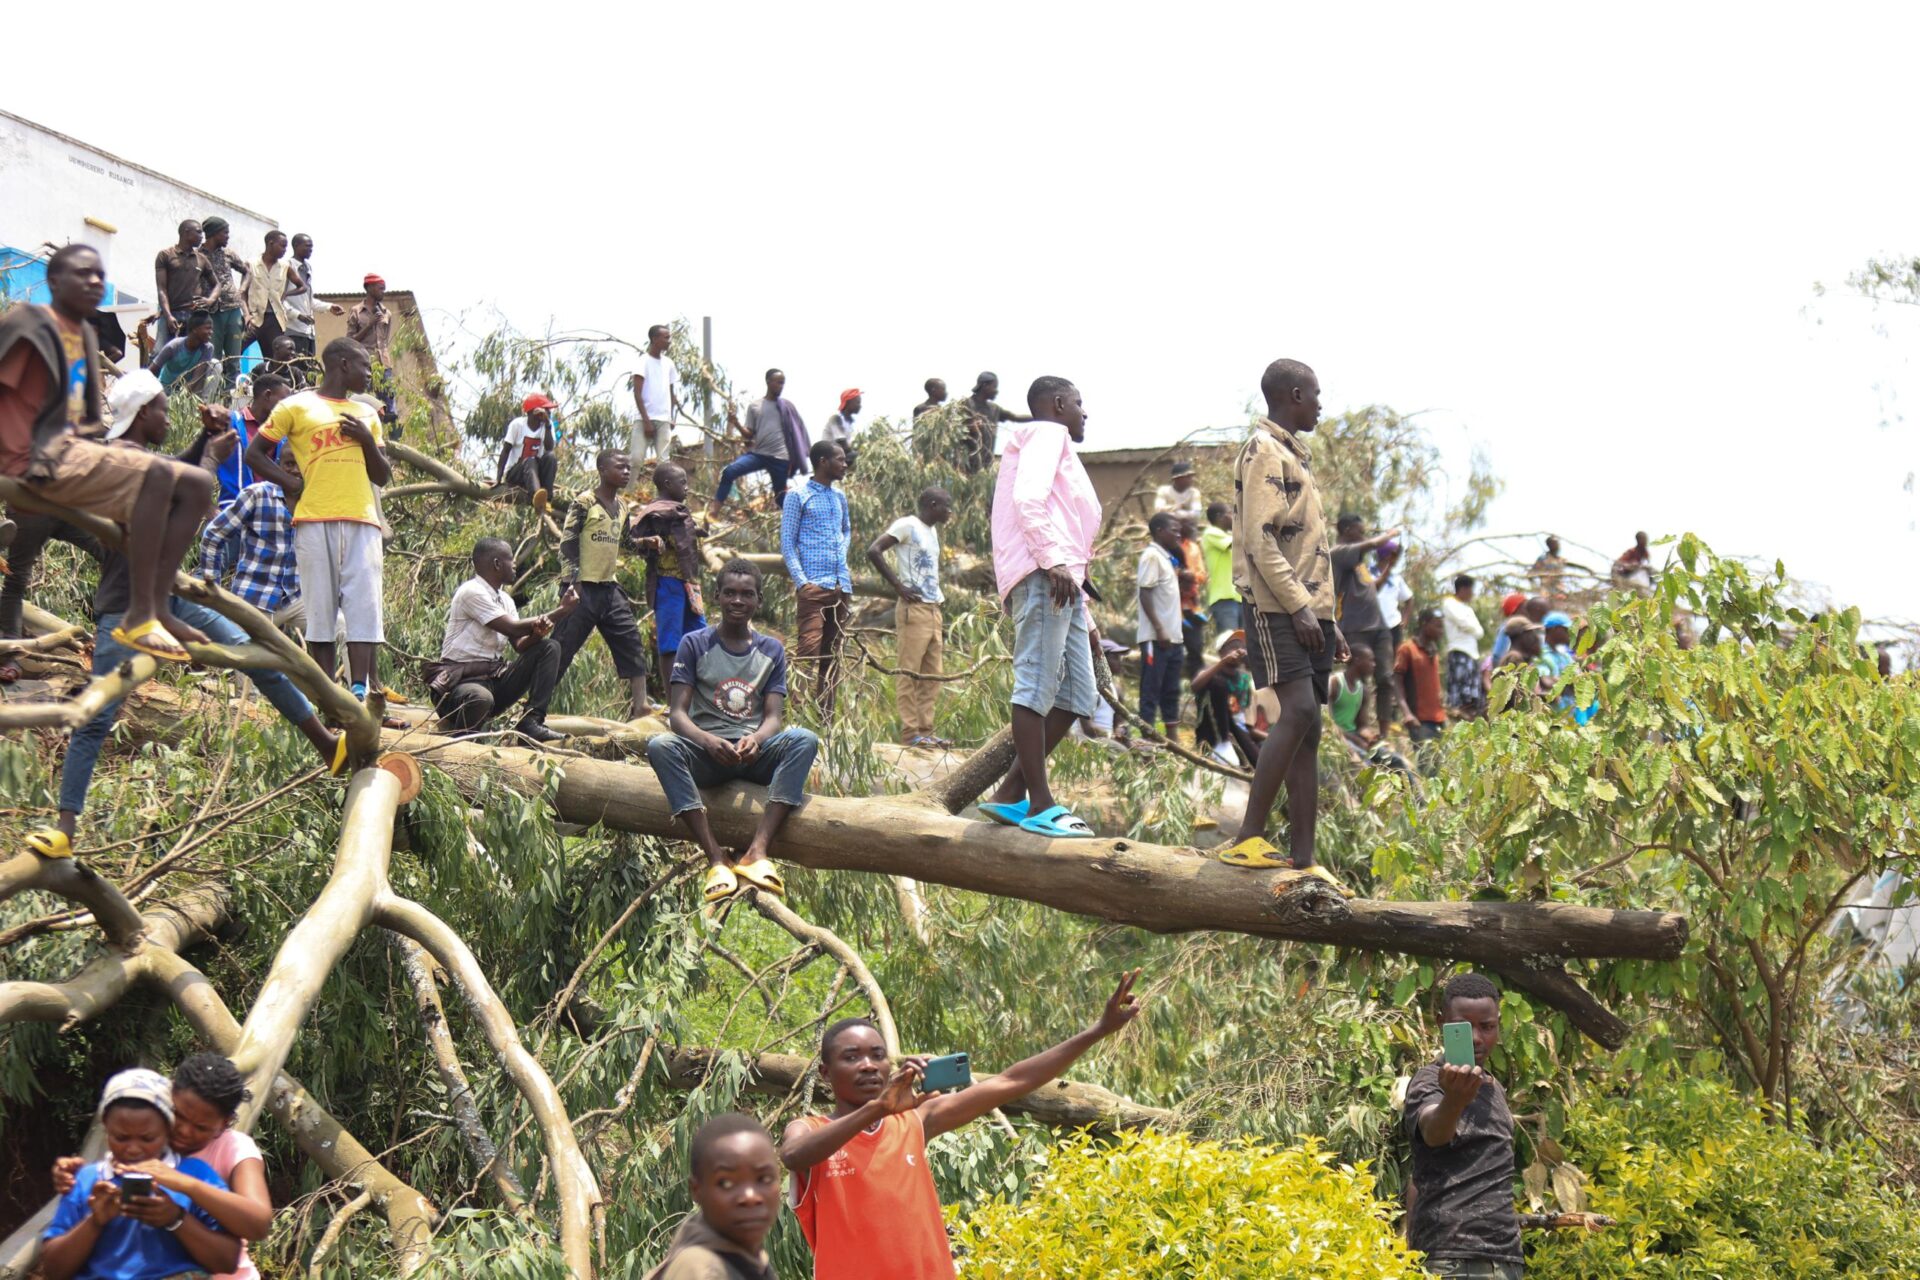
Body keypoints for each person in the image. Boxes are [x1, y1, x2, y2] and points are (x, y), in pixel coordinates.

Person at [27, 372, 345, 858]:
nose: (168, 416)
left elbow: (173, 473)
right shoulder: (120, 462)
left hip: (172, 598)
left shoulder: (141, 460)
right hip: (126, 608)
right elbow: (173, 486)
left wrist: (205, 443)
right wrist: (210, 453)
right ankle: (64, 831)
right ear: (142, 415)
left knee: (260, 658)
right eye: (162, 409)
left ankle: (326, 745)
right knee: (97, 716)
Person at [784, 972, 1143, 1280]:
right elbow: (794, 1156)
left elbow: (1012, 1081)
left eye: (877, 1055)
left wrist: (1098, 1030)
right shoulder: (809, 1128)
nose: (867, 1065)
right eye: (851, 1057)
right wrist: (878, 1109)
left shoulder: (916, 1121)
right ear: (825, 1074)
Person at [2, 245, 218, 665]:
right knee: (22, 571)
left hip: (69, 460)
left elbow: (82, 423)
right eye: (84, 274)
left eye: (100, 274)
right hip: (28, 463)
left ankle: (150, 609)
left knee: (193, 484)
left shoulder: (83, 335)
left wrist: (108, 451)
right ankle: (137, 613)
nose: (96, 282)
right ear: (54, 283)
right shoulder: (29, 323)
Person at [1219, 359, 1346, 878]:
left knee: (1310, 727)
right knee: (1296, 712)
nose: (1320, 404)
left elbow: (1311, 548)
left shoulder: (1294, 454)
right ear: (1294, 394)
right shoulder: (1264, 451)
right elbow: (1259, 539)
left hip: (1306, 610)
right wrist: (1297, 606)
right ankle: (1247, 836)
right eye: (1315, 395)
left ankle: (1304, 858)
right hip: (1276, 606)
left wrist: (1328, 618)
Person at [645, 559, 818, 902]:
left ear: (759, 601)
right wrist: (707, 741)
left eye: (746, 594)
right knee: (660, 746)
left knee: (804, 740)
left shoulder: (771, 649)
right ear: (717, 597)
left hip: (752, 756)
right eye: (730, 593)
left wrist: (756, 739)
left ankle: (757, 852)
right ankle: (716, 858)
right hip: (707, 757)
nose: (738, 601)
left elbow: (773, 718)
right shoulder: (694, 644)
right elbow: (677, 715)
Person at [980, 376, 1103, 839]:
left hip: (1064, 583)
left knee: (1078, 694)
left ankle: (1010, 795)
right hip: (1042, 575)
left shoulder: (1057, 444)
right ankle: (1041, 804)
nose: (1084, 412)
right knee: (1035, 684)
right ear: (1057, 404)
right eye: (1078, 402)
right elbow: (1027, 500)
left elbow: (1067, 532)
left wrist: (1086, 619)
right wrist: (1051, 561)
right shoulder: (1047, 434)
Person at [244, 337, 392, 703]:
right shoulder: (295, 406)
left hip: (362, 519)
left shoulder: (368, 415)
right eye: (364, 367)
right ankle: (327, 693)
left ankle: (359, 689)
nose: (368, 375)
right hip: (313, 519)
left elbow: (382, 475)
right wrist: (292, 482)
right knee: (319, 609)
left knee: (364, 604)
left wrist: (366, 442)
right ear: (343, 364)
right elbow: (255, 454)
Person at [54, 1054, 274, 1280]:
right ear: (168, 1098)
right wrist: (71, 1175)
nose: (185, 1131)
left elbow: (258, 1225)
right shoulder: (146, 1137)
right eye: (179, 1115)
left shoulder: (234, 1148)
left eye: (200, 1127)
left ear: (223, 1124)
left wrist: (186, 1184)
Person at [1403, 974, 1526, 1278]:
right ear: (1442, 1022)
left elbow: (1419, 1174)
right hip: (1454, 1258)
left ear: (1498, 1024)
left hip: (1504, 1257)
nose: (1475, 1038)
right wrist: (1454, 1101)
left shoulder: (1494, 1089)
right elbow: (1433, 1133)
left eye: (1486, 1027)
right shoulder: (1430, 1081)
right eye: (1464, 1026)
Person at [429, 537, 577, 742]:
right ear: (497, 564)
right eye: (511, 558)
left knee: (549, 647)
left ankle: (531, 721)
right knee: (480, 698)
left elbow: (519, 644)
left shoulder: (505, 600)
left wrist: (536, 634)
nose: (515, 563)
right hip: (457, 687)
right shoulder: (471, 591)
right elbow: (511, 627)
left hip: (493, 682)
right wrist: (562, 611)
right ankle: (465, 740)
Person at [556, 449, 653, 719]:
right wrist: (573, 583)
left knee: (631, 642)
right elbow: (567, 544)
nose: (626, 472)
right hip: (581, 587)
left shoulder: (622, 507)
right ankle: (534, 705)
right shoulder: (585, 502)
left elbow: (625, 542)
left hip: (609, 589)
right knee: (561, 648)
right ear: (601, 469)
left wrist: (646, 543)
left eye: (628, 468)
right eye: (619, 467)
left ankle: (640, 705)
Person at [645, 1114, 781, 1280]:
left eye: (764, 1179)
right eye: (725, 1183)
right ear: (696, 1190)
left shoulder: (747, 1256)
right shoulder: (701, 1270)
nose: (750, 1197)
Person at [867, 486, 953, 747]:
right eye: (946, 506)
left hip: (932, 608)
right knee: (909, 672)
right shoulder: (907, 525)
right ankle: (910, 733)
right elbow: (874, 550)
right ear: (933, 504)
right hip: (913, 610)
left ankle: (926, 731)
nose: (949, 512)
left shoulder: (932, 531)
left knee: (932, 674)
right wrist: (898, 587)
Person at [781, 439, 853, 714]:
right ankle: (797, 716)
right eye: (840, 459)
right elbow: (788, 543)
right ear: (823, 462)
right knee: (808, 651)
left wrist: (841, 554)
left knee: (832, 655)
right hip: (814, 588)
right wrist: (803, 583)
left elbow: (846, 530)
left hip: (840, 586)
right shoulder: (798, 496)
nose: (845, 465)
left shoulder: (839, 498)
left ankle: (826, 719)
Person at [199, 453, 303, 626]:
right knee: (242, 650)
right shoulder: (258, 494)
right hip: (255, 597)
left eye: (301, 463)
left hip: (295, 599)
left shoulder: (315, 501)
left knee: (340, 629)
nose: (296, 470)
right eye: (289, 464)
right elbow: (214, 534)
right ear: (277, 467)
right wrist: (213, 589)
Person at [632, 461, 707, 697]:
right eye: (682, 482)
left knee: (699, 639)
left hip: (689, 585)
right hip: (667, 584)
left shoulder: (677, 510)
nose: (687, 488)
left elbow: (680, 536)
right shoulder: (656, 512)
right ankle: (673, 699)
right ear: (667, 484)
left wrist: (695, 530)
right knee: (670, 643)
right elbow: (632, 538)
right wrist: (650, 542)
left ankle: (698, 696)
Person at [1330, 513, 1404, 733]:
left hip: (1378, 626)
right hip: (1355, 627)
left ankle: (1383, 733)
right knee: (1355, 678)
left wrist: (1389, 565)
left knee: (1386, 678)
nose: (1362, 536)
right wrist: (1389, 535)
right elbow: (1372, 544)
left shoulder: (1360, 564)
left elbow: (1372, 588)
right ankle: (1347, 727)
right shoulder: (1339, 553)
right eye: (1359, 531)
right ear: (1346, 531)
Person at [710, 370, 808, 517]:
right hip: (759, 454)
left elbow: (798, 431)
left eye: (783, 383)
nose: (781, 386)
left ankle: (804, 518)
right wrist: (735, 422)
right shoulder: (755, 406)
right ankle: (713, 514)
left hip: (780, 458)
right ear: (768, 382)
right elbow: (749, 434)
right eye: (778, 382)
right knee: (729, 472)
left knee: (781, 497)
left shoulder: (786, 407)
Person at [199, 372, 291, 507]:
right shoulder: (230, 422)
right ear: (267, 395)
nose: (288, 408)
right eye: (284, 402)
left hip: (269, 511)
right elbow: (204, 461)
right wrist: (209, 509)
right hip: (232, 506)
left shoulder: (281, 435)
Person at [1135, 512, 1185, 737]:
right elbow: (1145, 594)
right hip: (1157, 639)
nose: (1178, 534)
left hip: (1174, 638)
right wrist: (1159, 628)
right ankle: (1147, 746)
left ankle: (1173, 746)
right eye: (1173, 529)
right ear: (1159, 531)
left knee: (1171, 691)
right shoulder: (1151, 556)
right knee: (1150, 693)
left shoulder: (1166, 557)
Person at [1192, 630, 1258, 766]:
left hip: (1236, 729)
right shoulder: (1211, 673)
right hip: (1212, 734)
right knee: (1218, 684)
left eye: (1241, 647)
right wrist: (1223, 662)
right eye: (1233, 646)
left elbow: (1241, 715)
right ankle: (1222, 745)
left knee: (1260, 760)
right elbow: (1195, 686)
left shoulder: (1244, 679)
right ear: (1221, 652)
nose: (1238, 651)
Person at [198, 217, 249, 384]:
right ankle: (214, 394)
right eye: (225, 233)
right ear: (213, 234)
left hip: (232, 308)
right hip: (210, 312)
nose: (228, 236)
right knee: (213, 358)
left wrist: (241, 290)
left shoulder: (229, 254)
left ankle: (231, 396)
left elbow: (247, 271)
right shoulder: (197, 255)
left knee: (234, 358)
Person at [152, 219, 214, 344]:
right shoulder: (165, 255)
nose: (202, 237)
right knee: (160, 353)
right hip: (172, 313)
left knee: (194, 354)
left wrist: (210, 300)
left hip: (193, 315)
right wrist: (168, 315)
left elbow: (217, 284)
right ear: (186, 232)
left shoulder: (201, 259)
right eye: (198, 232)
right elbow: (161, 289)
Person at [282, 233, 344, 358]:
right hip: (293, 330)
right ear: (296, 246)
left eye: (312, 247)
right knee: (296, 370)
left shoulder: (307, 268)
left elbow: (309, 301)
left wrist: (329, 307)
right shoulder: (286, 266)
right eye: (307, 246)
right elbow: (280, 299)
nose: (311, 250)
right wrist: (298, 315)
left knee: (309, 372)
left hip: (308, 332)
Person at [346, 274, 396, 422]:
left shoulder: (387, 313)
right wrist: (369, 325)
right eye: (380, 288)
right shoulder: (356, 311)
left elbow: (384, 340)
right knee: (364, 402)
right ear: (369, 288)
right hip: (364, 364)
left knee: (389, 405)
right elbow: (350, 341)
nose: (383, 292)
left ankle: (391, 437)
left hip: (384, 364)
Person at [496, 393, 559, 511]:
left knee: (551, 457)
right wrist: (499, 478)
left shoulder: (547, 426)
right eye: (546, 410)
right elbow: (505, 451)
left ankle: (547, 499)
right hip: (516, 473)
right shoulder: (517, 425)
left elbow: (549, 448)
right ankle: (537, 497)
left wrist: (548, 426)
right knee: (530, 460)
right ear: (535, 412)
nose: (549, 413)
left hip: (534, 475)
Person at [958, 371, 1029, 474]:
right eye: (994, 387)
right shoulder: (966, 405)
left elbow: (1015, 417)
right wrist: (969, 427)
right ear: (985, 385)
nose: (996, 391)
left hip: (986, 465)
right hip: (966, 465)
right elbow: (953, 429)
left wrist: (1040, 415)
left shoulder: (994, 409)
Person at [631, 323, 683, 467]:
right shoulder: (642, 361)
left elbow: (672, 392)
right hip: (643, 420)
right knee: (635, 458)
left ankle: (663, 490)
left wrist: (671, 417)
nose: (669, 341)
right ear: (654, 339)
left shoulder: (669, 364)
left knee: (664, 463)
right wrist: (646, 421)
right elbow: (637, 393)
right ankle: (627, 490)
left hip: (663, 420)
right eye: (666, 338)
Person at [1396, 607, 1449, 745]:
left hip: (1439, 718)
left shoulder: (1433, 650)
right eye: (1437, 626)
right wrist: (1407, 713)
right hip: (1420, 720)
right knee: (1426, 764)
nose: (1441, 631)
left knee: (1439, 764)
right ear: (1424, 624)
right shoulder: (1407, 649)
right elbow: (1397, 684)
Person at [242, 230, 293, 372]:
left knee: (273, 359)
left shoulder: (285, 267)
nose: (285, 250)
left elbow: (302, 285)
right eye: (282, 246)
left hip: (275, 320)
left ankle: (272, 385)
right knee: (235, 349)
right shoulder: (251, 264)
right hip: (254, 319)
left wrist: (284, 295)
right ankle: (229, 385)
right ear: (271, 244)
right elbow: (243, 293)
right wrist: (246, 314)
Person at [1440, 574, 1486, 715]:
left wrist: (1473, 628)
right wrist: (1473, 628)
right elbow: (1464, 623)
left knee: (1472, 693)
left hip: (1472, 652)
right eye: (1471, 589)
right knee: (1460, 693)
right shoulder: (1449, 603)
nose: (1472, 593)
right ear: (1464, 589)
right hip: (1459, 650)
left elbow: (1479, 631)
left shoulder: (1467, 609)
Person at [147, 310, 219, 393]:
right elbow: (151, 370)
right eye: (207, 328)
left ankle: (205, 401)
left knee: (216, 364)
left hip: (187, 390)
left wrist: (183, 396)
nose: (211, 332)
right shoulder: (174, 346)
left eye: (211, 329)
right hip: (167, 388)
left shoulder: (208, 348)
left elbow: (197, 377)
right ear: (195, 329)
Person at [1175, 514, 1209, 682]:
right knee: (1174, 651)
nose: (1192, 528)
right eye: (1188, 524)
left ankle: (1199, 686)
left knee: (1196, 648)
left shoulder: (1194, 548)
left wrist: (1192, 576)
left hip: (1192, 608)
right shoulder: (1170, 546)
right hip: (1173, 608)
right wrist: (1179, 576)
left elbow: (1202, 575)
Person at [1200, 501, 1240, 637]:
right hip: (1224, 599)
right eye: (1230, 513)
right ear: (1219, 517)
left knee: (1245, 645)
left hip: (1239, 598)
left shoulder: (1228, 536)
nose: (1233, 516)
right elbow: (1237, 543)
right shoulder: (1211, 533)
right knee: (1231, 643)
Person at [1374, 539, 1412, 649]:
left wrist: (1404, 621)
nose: (1398, 559)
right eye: (1395, 555)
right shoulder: (1369, 574)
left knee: (1393, 660)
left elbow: (1409, 599)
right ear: (1388, 556)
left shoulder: (1396, 578)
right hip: (1373, 627)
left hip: (1393, 625)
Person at [821, 388, 861, 467]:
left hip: (842, 456)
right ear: (849, 403)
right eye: (857, 402)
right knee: (859, 457)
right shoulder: (836, 419)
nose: (860, 406)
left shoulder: (850, 422)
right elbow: (842, 443)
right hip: (831, 457)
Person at [1612, 530, 1653, 595]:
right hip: (1628, 577)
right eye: (1644, 539)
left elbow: (1647, 567)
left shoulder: (1646, 554)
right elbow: (1617, 563)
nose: (1645, 541)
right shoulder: (1631, 552)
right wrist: (1630, 566)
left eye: (1646, 539)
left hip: (1642, 581)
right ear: (1638, 540)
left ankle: (1645, 592)